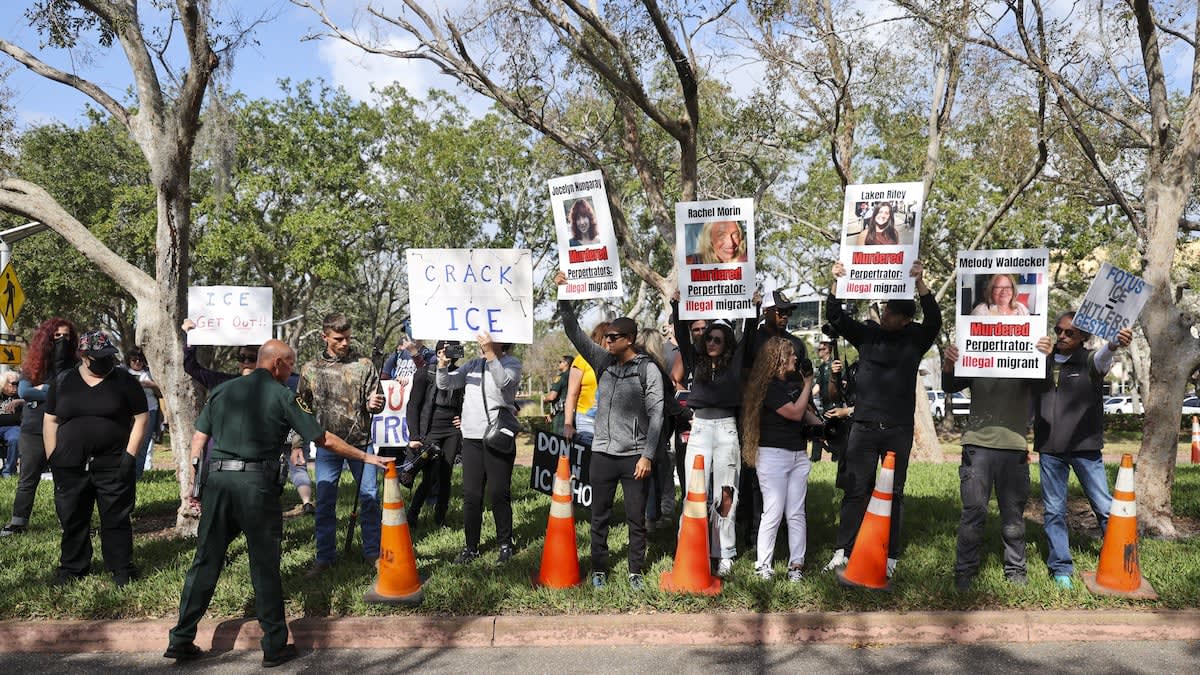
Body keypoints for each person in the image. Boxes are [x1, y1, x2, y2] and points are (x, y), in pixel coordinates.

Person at [165, 340, 393, 667]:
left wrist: (194, 487)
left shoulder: (223, 391)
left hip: (217, 483)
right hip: (255, 488)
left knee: (205, 560)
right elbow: (323, 439)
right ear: (276, 365)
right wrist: (367, 457)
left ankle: (181, 638)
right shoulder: (284, 395)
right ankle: (273, 646)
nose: (291, 373)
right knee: (264, 564)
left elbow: (199, 441)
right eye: (289, 366)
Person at [823, 259, 940, 578]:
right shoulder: (868, 334)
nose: (884, 314)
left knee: (894, 493)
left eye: (891, 312)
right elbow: (835, 316)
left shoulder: (916, 338)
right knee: (855, 490)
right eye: (885, 309)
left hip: (897, 430)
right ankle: (842, 552)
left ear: (905, 320)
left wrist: (920, 283)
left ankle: (891, 557)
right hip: (863, 428)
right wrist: (835, 282)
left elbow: (934, 319)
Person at [559, 285, 663, 590]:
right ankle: (600, 568)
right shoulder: (602, 361)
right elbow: (571, 329)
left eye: (613, 337)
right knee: (598, 516)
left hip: (634, 457)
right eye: (606, 337)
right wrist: (563, 294)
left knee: (635, 519)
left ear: (629, 339)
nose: (607, 340)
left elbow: (657, 415)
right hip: (602, 454)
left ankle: (635, 571)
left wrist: (647, 455)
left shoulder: (648, 370)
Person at [942, 335, 1051, 591]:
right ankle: (964, 573)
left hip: (1013, 447)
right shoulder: (977, 352)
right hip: (976, 446)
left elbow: (1045, 387)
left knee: (1013, 515)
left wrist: (1045, 358)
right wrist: (949, 363)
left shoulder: (1027, 355)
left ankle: (1016, 572)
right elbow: (950, 385)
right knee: (974, 512)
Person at [1032, 313, 1131, 590]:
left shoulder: (1090, 360)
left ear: (1083, 337)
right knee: (1053, 511)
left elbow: (1105, 355)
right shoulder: (1044, 360)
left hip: (1085, 450)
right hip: (1050, 449)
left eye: (1070, 333)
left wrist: (1114, 343)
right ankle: (1061, 568)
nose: (1062, 336)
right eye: (1058, 331)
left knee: (1104, 507)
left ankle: (1122, 560)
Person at [45, 329, 149, 586]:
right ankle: (73, 567)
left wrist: (129, 455)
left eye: (108, 356)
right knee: (72, 516)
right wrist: (53, 455)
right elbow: (50, 419)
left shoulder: (125, 381)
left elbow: (141, 417)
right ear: (84, 356)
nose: (105, 362)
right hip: (70, 464)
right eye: (98, 357)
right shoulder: (64, 381)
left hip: (113, 462)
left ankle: (121, 568)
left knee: (116, 517)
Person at [180, 319, 313, 514]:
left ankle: (306, 502)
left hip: (260, 470)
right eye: (241, 357)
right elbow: (192, 368)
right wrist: (189, 338)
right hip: (223, 467)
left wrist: (297, 443)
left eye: (252, 358)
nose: (246, 362)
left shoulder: (281, 387)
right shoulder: (224, 384)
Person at [672, 293, 758, 578]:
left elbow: (748, 337)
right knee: (694, 492)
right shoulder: (694, 360)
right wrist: (676, 303)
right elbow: (684, 337)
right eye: (709, 338)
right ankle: (689, 548)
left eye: (718, 340)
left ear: (727, 344)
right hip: (699, 429)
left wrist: (754, 307)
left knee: (726, 493)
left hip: (726, 430)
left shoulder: (734, 364)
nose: (711, 343)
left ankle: (724, 554)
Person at [295, 313, 385, 575]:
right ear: (325, 337)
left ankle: (373, 552)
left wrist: (374, 405)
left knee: (369, 498)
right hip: (326, 446)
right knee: (324, 501)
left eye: (347, 338)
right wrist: (296, 445)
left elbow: (375, 402)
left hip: (361, 443)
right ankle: (325, 556)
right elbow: (301, 408)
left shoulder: (365, 364)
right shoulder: (311, 368)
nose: (345, 343)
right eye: (338, 339)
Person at [436, 333, 522, 564]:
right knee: (471, 496)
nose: (482, 340)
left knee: (498, 493)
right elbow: (446, 384)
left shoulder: (511, 363)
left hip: (497, 438)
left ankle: (505, 543)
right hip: (472, 438)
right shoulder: (472, 365)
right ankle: (471, 546)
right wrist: (442, 366)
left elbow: (505, 383)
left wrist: (492, 354)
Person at [742, 337, 814, 581]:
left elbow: (806, 413)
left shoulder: (794, 382)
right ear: (780, 358)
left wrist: (825, 426)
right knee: (773, 511)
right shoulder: (769, 386)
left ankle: (796, 565)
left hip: (798, 454)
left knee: (796, 513)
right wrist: (809, 384)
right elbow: (794, 413)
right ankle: (763, 565)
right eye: (791, 354)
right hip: (773, 455)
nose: (796, 357)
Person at [2, 319, 77, 537]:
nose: (62, 341)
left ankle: (69, 524)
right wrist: (55, 391)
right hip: (33, 428)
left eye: (66, 336)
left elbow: (73, 392)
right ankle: (18, 522)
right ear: (47, 338)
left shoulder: (74, 366)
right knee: (28, 477)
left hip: (63, 427)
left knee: (64, 480)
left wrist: (44, 389)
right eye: (57, 336)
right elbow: (25, 392)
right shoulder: (33, 365)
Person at [405, 339, 464, 532]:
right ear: (438, 353)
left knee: (446, 474)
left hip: (452, 430)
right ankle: (412, 514)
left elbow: (466, 400)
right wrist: (414, 435)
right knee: (430, 475)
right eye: (446, 351)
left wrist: (462, 418)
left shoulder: (460, 373)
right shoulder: (425, 373)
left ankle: (440, 517)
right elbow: (412, 405)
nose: (451, 354)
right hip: (430, 429)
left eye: (455, 350)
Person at [563, 322, 607, 447]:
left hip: (609, 423)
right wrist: (568, 424)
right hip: (586, 421)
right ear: (601, 337)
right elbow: (572, 394)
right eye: (609, 337)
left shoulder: (616, 360)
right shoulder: (581, 360)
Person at [122, 348, 161, 479]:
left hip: (150, 410)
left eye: (140, 360)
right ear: (129, 361)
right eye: (134, 360)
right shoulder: (123, 372)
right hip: (127, 412)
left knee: (144, 443)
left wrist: (152, 385)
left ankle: (137, 474)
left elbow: (162, 393)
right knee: (126, 441)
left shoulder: (151, 374)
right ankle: (124, 471)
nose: (138, 362)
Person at [0, 372, 23, 478]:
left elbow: (33, 399)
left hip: (13, 427)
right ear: (4, 383)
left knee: (15, 439)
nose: (16, 387)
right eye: (13, 383)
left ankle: (8, 471)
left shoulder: (20, 395)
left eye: (17, 384)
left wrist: (20, 401)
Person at [545, 355, 571, 435]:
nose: (558, 363)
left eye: (560, 362)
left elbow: (552, 396)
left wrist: (545, 399)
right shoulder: (573, 376)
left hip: (560, 415)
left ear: (566, 363)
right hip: (572, 413)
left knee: (559, 439)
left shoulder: (561, 377)